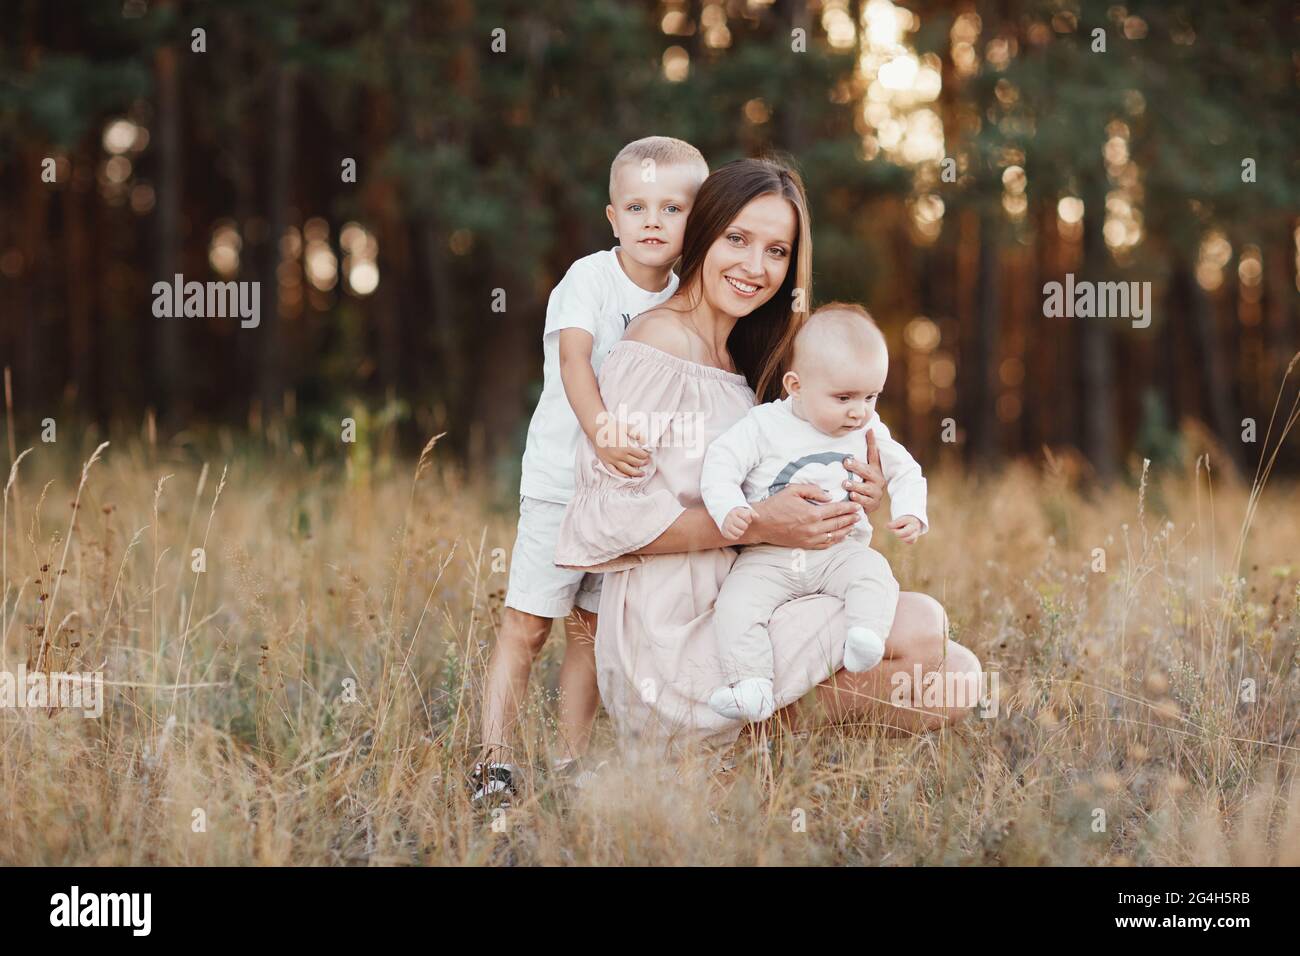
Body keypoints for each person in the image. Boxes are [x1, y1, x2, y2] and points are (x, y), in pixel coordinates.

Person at [555, 157, 982, 760]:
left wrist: (855, 490)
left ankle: (724, 760)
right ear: (702, 233)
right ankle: (694, 752)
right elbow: (600, 525)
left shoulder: (745, 361)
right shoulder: (654, 347)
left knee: (953, 673)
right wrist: (760, 523)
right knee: (924, 633)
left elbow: (777, 481)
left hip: (755, 596)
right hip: (673, 631)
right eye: (737, 239)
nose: (756, 267)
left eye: (777, 251)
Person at [473, 136, 709, 803]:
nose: (653, 221)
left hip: (626, 498)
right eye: (637, 206)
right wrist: (601, 429)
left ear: (697, 221)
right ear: (613, 217)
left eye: (672, 207)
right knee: (528, 626)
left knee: (593, 635)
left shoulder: (687, 301)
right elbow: (576, 361)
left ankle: (569, 766)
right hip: (562, 487)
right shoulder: (589, 280)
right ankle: (493, 764)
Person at [700, 302, 928, 723]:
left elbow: (906, 470)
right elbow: (720, 463)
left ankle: (865, 636)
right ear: (796, 385)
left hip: (838, 551)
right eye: (843, 398)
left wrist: (911, 511)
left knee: (874, 573)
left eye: (870, 396)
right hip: (768, 556)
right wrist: (730, 507)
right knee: (736, 605)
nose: (859, 410)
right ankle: (750, 685)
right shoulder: (763, 426)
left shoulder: (868, 429)